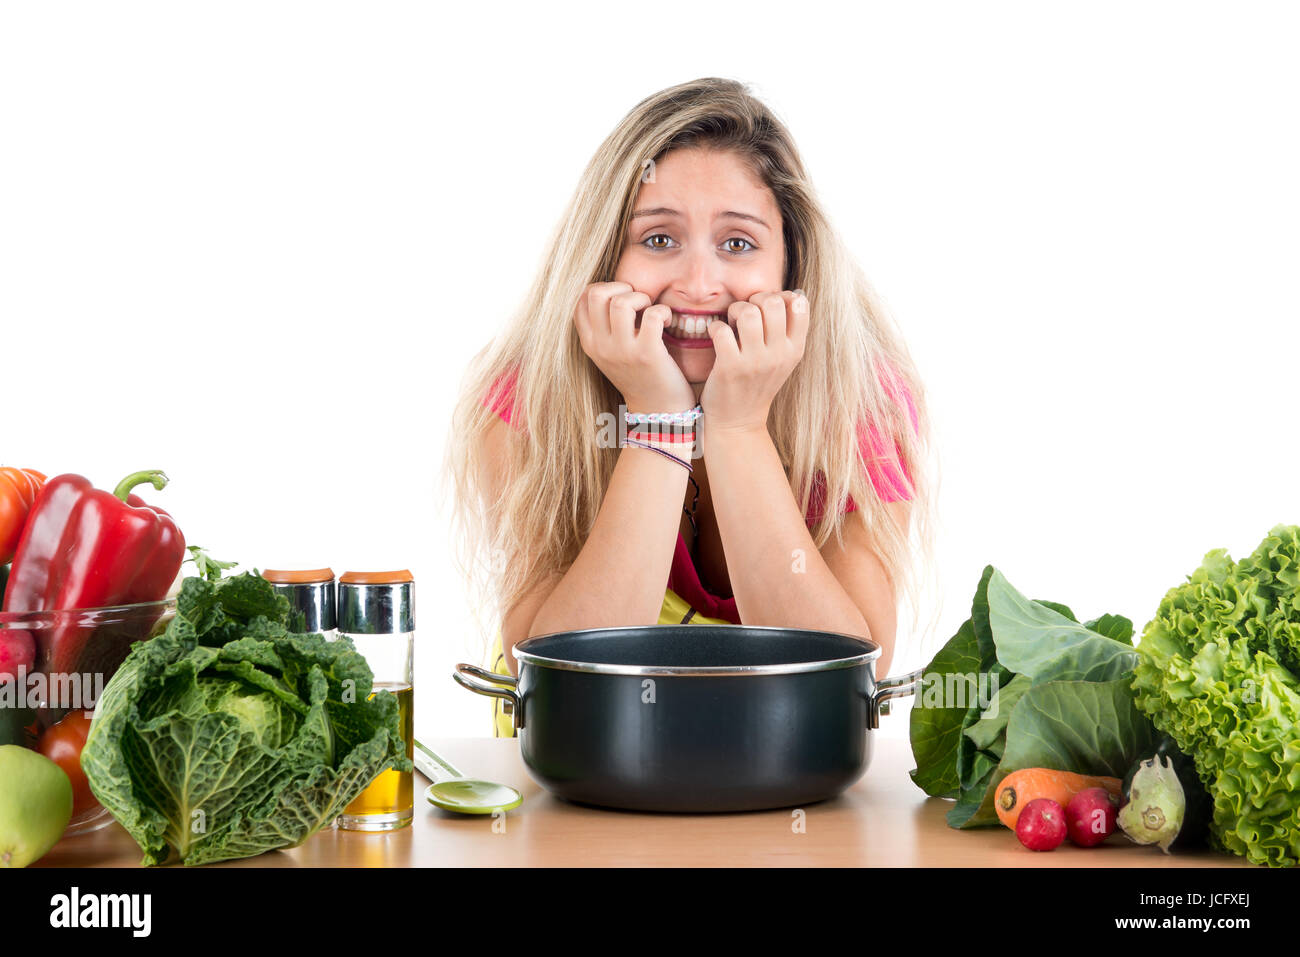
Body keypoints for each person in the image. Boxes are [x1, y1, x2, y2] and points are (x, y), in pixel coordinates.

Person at [445, 77, 933, 737]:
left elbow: (845, 685)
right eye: (658, 240)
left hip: (791, 786)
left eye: (738, 244)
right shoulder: (529, 402)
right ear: (603, 256)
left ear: (792, 266)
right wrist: (658, 420)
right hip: (588, 787)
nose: (697, 287)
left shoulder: (865, 406)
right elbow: (562, 687)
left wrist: (737, 428)